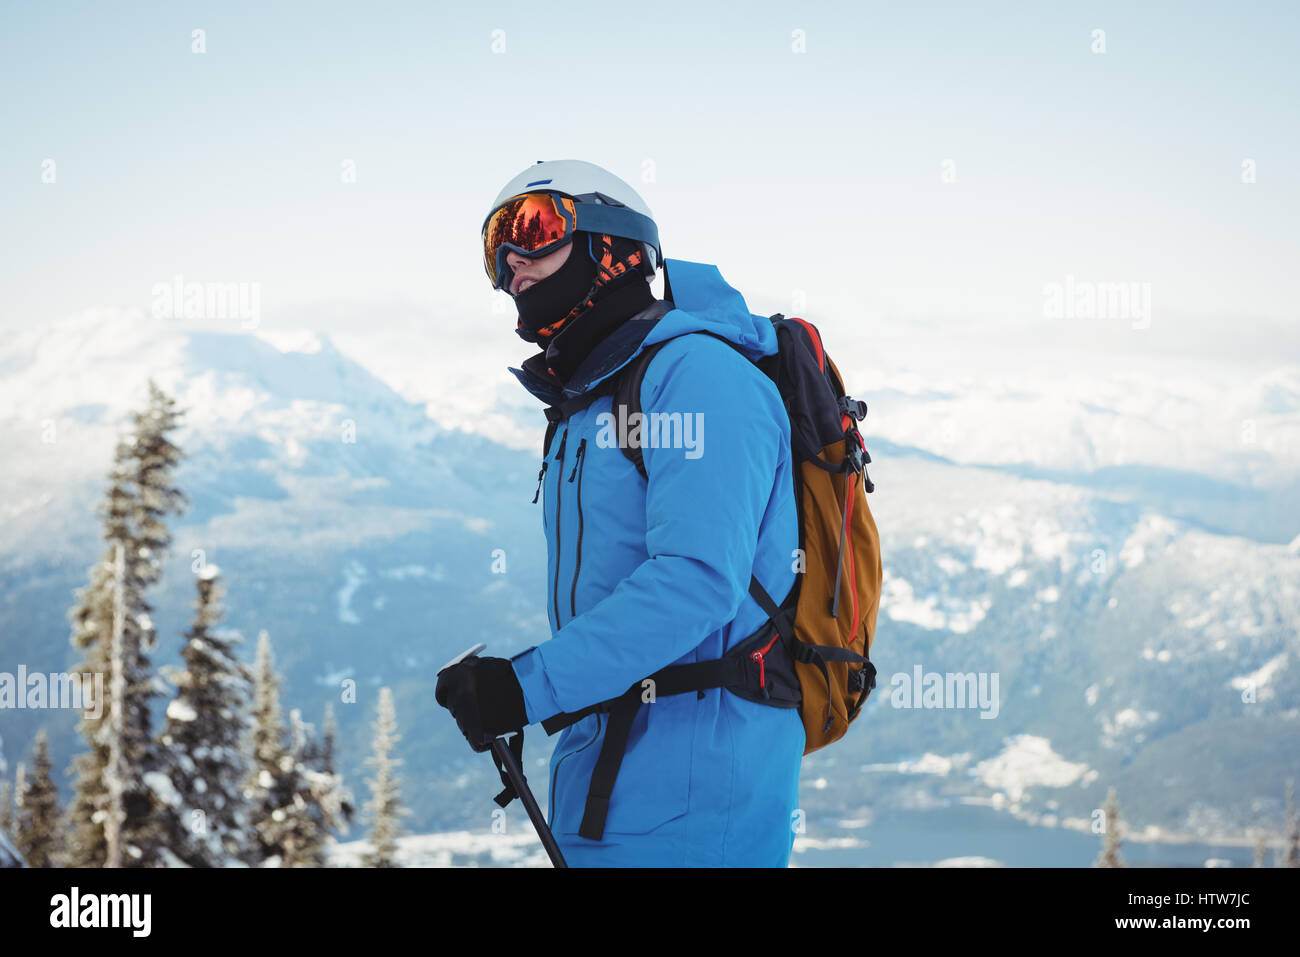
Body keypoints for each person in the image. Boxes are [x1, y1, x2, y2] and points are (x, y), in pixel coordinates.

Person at [436, 159, 803, 866]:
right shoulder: (592, 401)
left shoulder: (697, 374)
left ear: (614, 243)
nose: (513, 261)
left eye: (533, 228)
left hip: (694, 816)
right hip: (611, 799)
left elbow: (696, 580)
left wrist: (523, 687)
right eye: (496, 249)